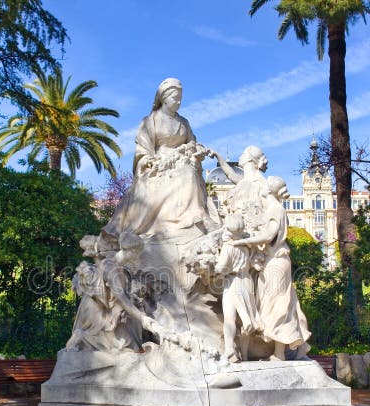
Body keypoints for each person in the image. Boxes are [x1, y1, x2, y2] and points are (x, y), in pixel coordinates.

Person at [103, 78, 219, 242]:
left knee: (189, 173)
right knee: (179, 175)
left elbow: (192, 141)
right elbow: (142, 148)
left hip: (181, 160)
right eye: (175, 97)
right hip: (158, 162)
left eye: (180, 98)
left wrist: (190, 148)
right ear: (164, 97)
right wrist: (149, 160)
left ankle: (194, 217)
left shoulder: (184, 122)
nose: (178, 101)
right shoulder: (150, 121)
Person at [231, 176, 311, 361]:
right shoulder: (271, 210)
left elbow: (268, 236)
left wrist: (243, 241)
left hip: (276, 263)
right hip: (273, 262)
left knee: (277, 306)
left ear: (266, 190)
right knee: (284, 302)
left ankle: (280, 353)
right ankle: (300, 345)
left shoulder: (276, 210)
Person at [66, 233, 172, 351]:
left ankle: (83, 336)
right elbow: (121, 299)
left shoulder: (113, 262)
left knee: (131, 338)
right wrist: (143, 319)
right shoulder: (113, 268)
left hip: (101, 308)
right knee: (127, 343)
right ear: (130, 251)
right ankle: (82, 337)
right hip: (96, 313)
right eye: (137, 253)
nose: (137, 257)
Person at [215, 214, 261, 362]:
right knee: (245, 322)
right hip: (247, 281)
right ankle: (246, 355)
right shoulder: (246, 245)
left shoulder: (229, 247)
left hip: (232, 281)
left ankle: (230, 350)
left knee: (230, 318)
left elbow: (220, 267)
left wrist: (216, 267)